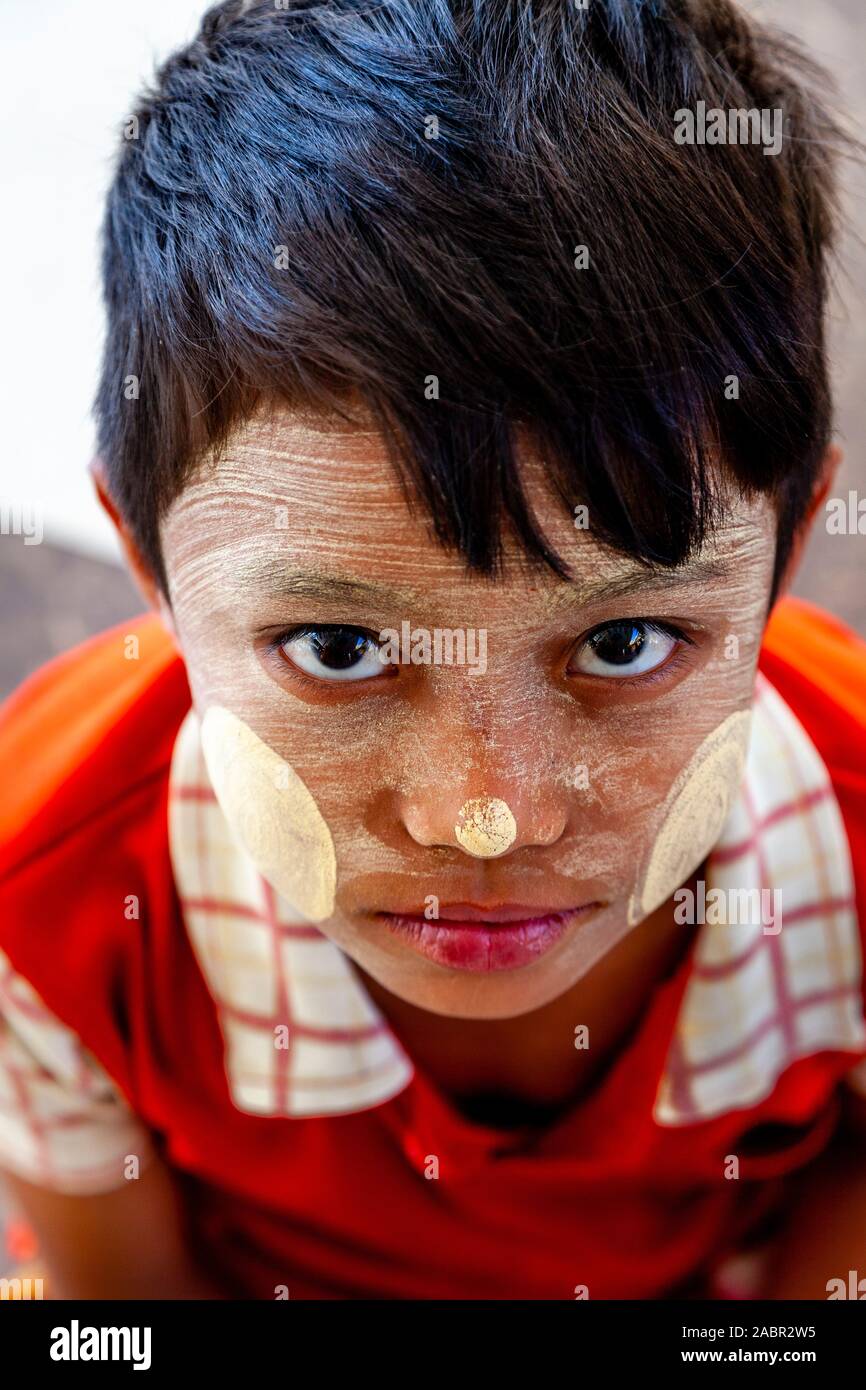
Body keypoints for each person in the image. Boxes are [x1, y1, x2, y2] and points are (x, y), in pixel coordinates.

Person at [2, 0, 866, 1300]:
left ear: (791, 546)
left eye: (625, 642)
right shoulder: (44, 882)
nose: (486, 815)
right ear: (151, 572)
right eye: (340, 648)